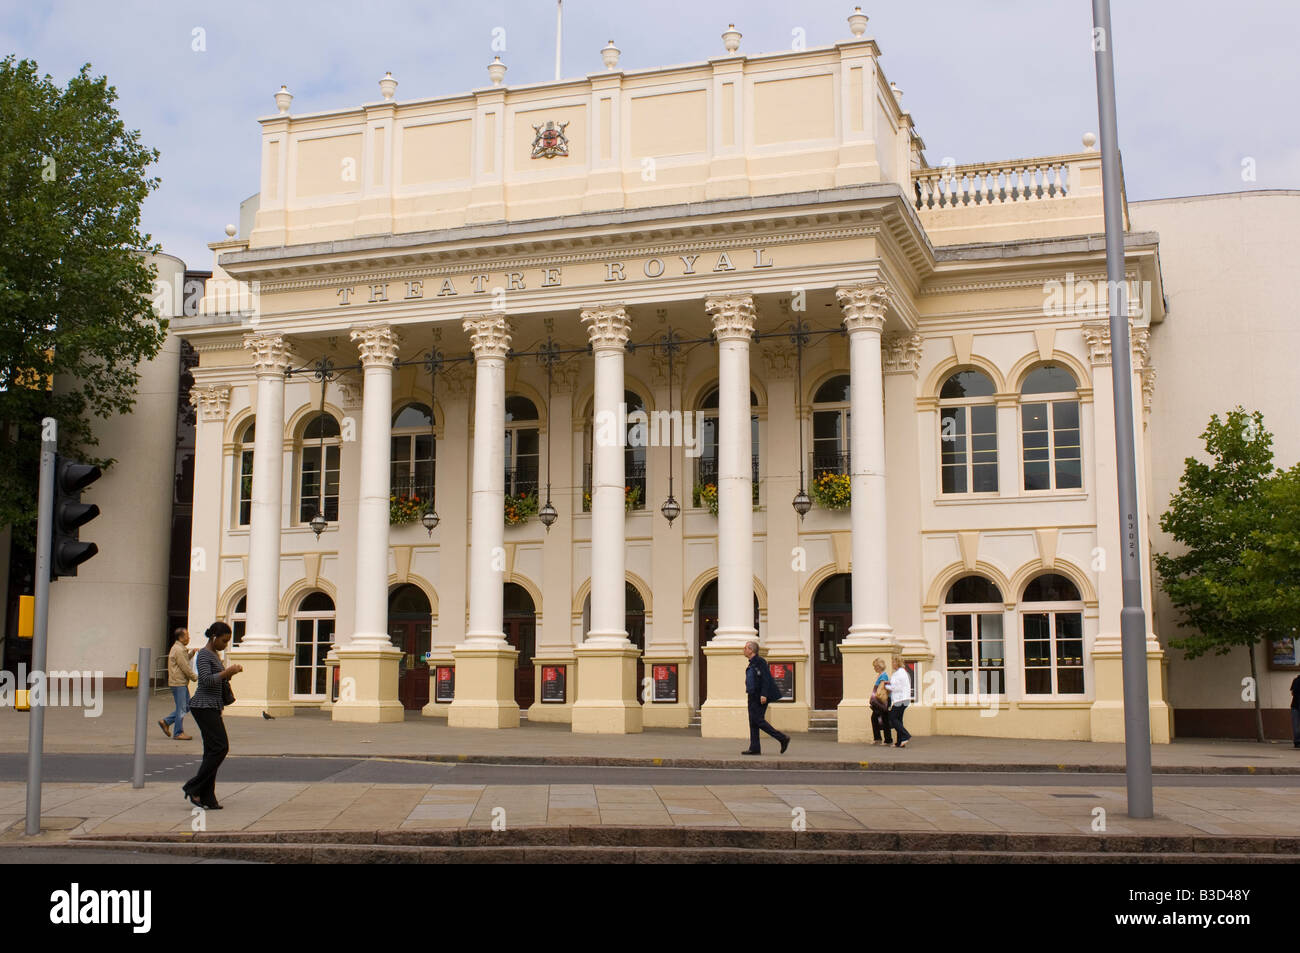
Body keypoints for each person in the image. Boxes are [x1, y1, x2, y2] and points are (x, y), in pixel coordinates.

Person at [183, 621, 242, 810]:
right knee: (220, 748)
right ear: (214, 637)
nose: (226, 645)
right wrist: (228, 672)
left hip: (213, 706)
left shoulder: (215, 655)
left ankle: (208, 795)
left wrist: (228, 674)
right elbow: (206, 681)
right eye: (224, 641)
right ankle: (194, 787)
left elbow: (217, 679)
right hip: (203, 706)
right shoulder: (203, 654)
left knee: (212, 750)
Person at [741, 641, 790, 756]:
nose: (743, 650)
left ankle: (782, 738)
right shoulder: (752, 662)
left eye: (745, 648)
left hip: (760, 696)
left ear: (751, 650)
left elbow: (766, 679)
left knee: (758, 720)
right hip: (752, 695)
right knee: (753, 722)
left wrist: (764, 694)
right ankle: (755, 748)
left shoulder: (760, 662)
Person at [159, 628, 196, 741]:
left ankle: (166, 721)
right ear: (181, 637)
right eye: (187, 636)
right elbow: (184, 666)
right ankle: (178, 732)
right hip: (178, 682)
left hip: (180, 682)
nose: (189, 638)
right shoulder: (179, 650)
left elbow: (183, 660)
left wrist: (191, 654)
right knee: (182, 708)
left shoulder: (179, 649)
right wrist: (195, 677)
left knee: (187, 706)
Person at [888, 655, 912, 748]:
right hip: (903, 699)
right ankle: (900, 742)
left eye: (893, 662)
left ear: (897, 662)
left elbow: (897, 687)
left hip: (900, 699)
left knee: (892, 718)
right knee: (898, 720)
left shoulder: (899, 673)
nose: (892, 664)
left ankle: (905, 735)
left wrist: (887, 687)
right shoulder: (901, 672)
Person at [870, 657, 893, 745]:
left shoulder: (883, 676)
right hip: (881, 700)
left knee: (882, 718)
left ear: (879, 666)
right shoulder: (881, 675)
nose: (874, 668)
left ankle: (884, 739)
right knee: (881, 718)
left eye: (875, 666)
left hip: (882, 700)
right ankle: (883, 739)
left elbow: (884, 689)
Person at [1291, 672, 1299, 749]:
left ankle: (1297, 742)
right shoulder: (1296, 680)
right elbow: (1293, 692)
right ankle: (1297, 742)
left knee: (1296, 725)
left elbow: (1292, 693)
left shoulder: (1296, 680)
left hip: (1295, 705)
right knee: (1296, 725)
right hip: (1296, 706)